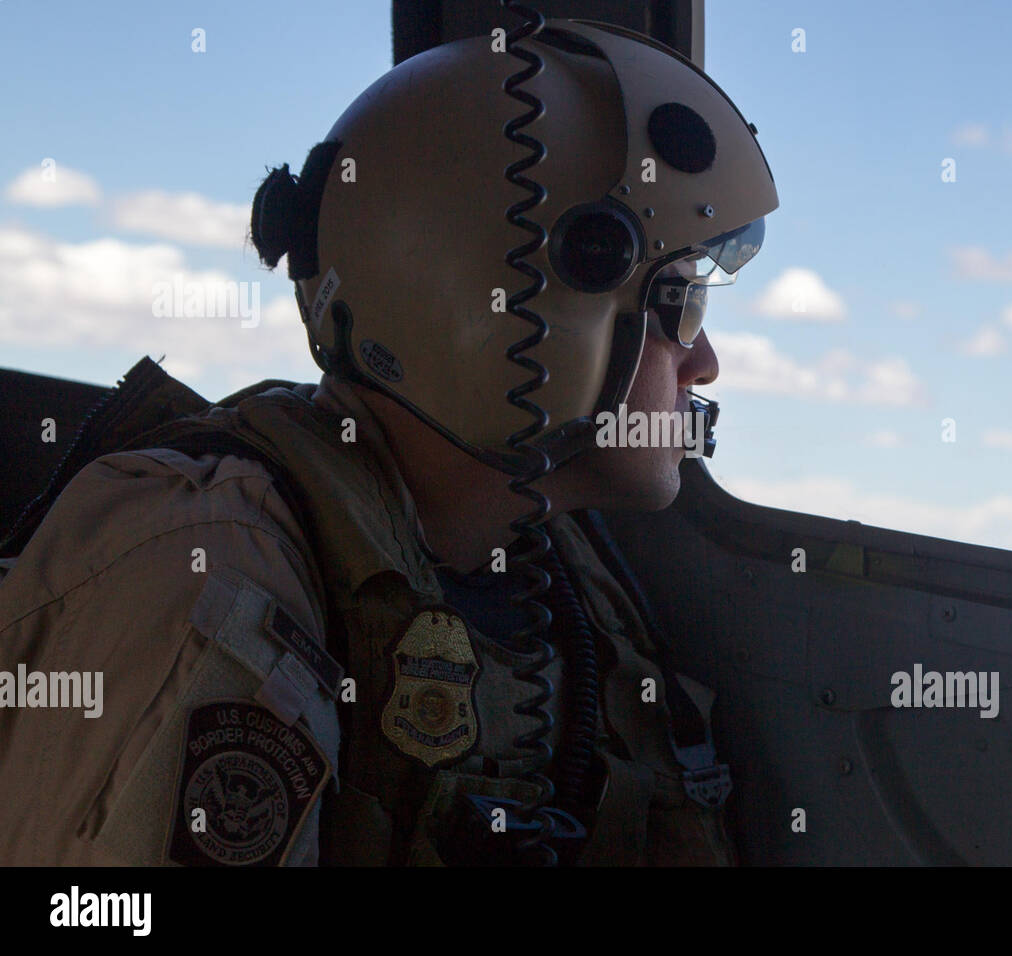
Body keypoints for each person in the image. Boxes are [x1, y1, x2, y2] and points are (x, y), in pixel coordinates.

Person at [0, 17, 777, 866]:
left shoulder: (564, 578)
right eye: (682, 306)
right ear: (534, 321)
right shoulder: (207, 566)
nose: (703, 359)